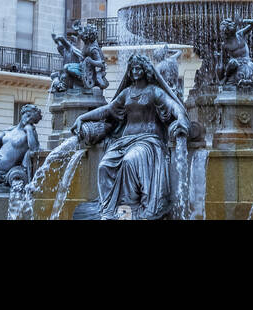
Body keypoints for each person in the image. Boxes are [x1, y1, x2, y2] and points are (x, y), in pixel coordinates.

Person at [72, 50, 189, 220]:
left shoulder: (154, 91)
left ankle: (130, 209)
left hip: (148, 140)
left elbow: (173, 106)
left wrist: (181, 120)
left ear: (145, 70)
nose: (135, 71)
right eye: (132, 68)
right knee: (104, 166)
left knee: (129, 161)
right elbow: (107, 109)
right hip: (125, 141)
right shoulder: (126, 93)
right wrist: (82, 117)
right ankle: (108, 210)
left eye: (138, 68)